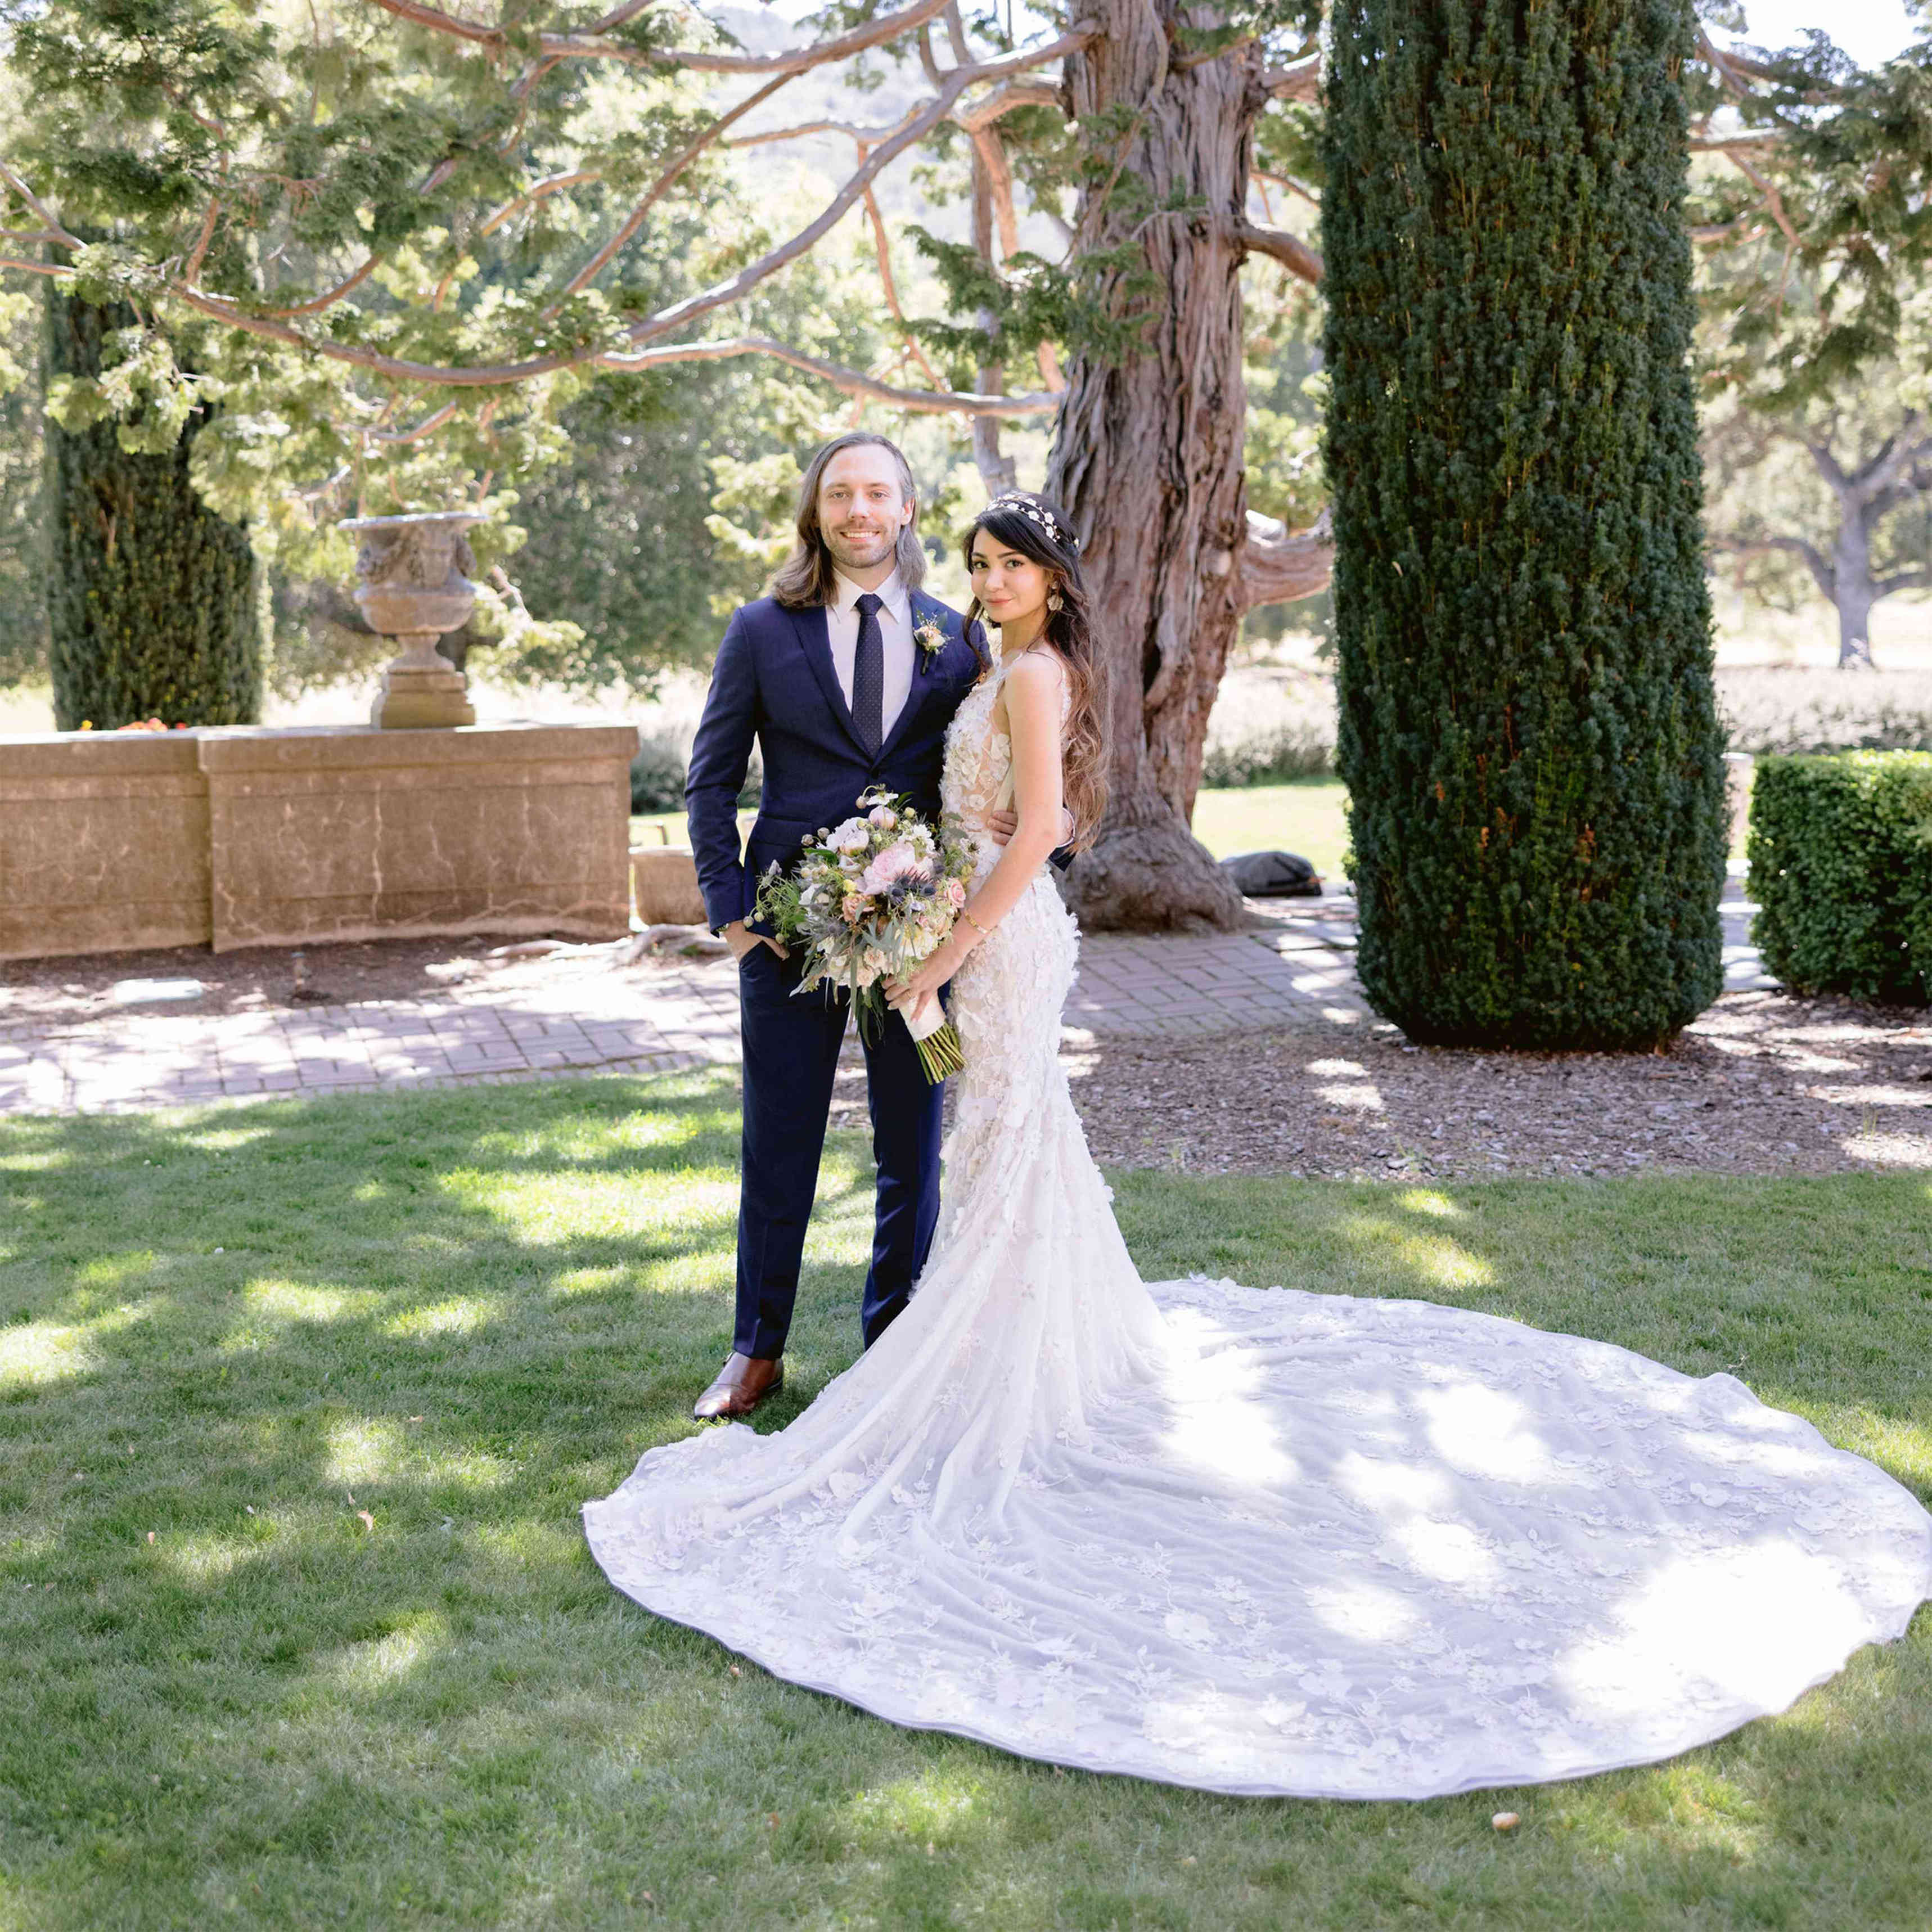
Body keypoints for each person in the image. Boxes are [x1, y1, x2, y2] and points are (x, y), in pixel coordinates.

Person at [587, 490, 1932, 1799]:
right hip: (926, 936)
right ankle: (898, 1347)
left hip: (982, 948)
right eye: (983, 563)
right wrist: (855, 908)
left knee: (978, 1154)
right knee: (996, 1153)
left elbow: (1040, 828)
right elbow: (840, 790)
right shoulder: (952, 657)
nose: (991, 582)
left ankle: (960, 1363)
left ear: (1046, 581)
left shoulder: (1020, 669)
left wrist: (936, 950)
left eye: (1010, 565)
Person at [681, 432, 1067, 1422]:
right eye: (839, 494)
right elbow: (711, 778)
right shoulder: (760, 629)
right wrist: (730, 914)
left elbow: (1010, 782)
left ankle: (894, 1344)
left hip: (920, 945)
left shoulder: (960, 633)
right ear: (817, 512)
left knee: (913, 1142)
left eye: (878, 494)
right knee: (780, 1143)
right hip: (785, 937)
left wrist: (966, 925)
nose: (859, 511)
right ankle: (754, 1351)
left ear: (906, 512)